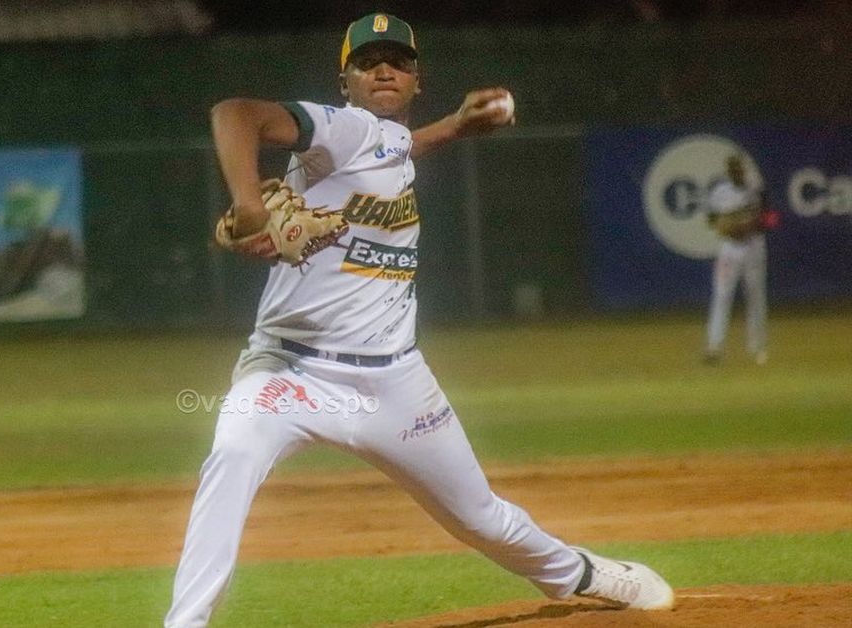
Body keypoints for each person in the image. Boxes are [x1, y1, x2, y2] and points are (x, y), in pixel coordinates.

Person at [165, 13, 674, 627]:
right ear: (344, 81)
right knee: (233, 454)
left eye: (399, 62)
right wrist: (248, 202)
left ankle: (585, 575)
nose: (385, 70)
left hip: (396, 383)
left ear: (417, 80)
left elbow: (402, 146)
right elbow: (235, 112)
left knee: (480, 517)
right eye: (368, 62)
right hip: (292, 372)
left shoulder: (386, 141)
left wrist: (457, 126)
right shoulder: (342, 128)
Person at [703, 153, 770, 366]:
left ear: (744, 169)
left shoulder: (756, 188)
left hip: (754, 247)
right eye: (732, 169)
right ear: (728, 171)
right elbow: (711, 219)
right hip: (729, 250)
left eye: (739, 168)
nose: (736, 172)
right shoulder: (720, 191)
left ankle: (757, 347)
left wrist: (753, 224)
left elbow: (772, 217)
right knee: (721, 295)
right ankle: (714, 347)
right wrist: (726, 226)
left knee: (755, 297)